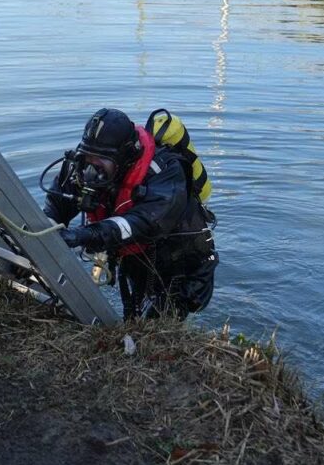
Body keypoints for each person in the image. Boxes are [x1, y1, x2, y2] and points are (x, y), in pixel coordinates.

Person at [44, 108, 218, 322]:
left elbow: (145, 222)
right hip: (137, 257)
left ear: (124, 158)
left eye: (99, 162)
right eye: (87, 158)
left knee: (159, 324)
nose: (91, 170)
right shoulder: (85, 167)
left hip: (183, 262)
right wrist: (48, 227)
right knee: (133, 315)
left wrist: (83, 235)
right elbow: (59, 199)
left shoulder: (166, 172)